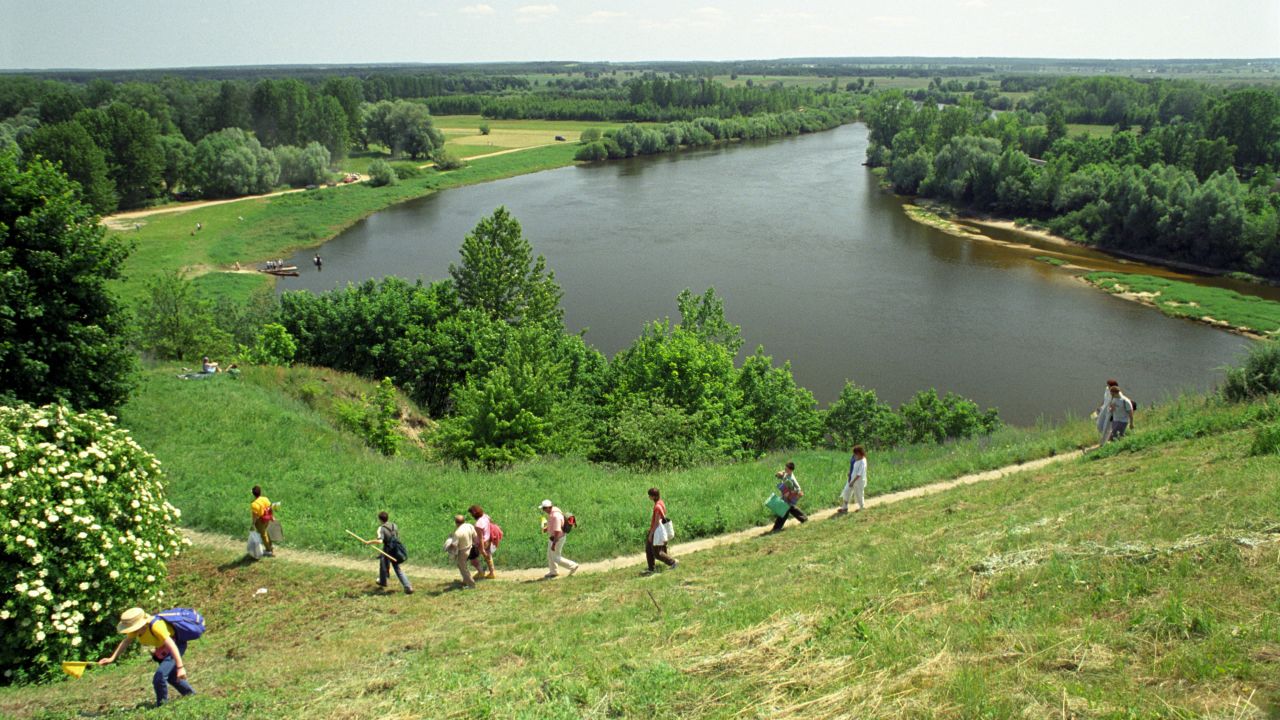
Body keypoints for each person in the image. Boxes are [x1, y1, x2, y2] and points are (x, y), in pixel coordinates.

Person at [97, 608, 195, 707]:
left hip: (176, 646)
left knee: (159, 676)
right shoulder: (136, 630)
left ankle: (162, 706)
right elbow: (126, 641)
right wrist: (112, 658)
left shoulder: (157, 626)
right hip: (163, 649)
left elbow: (172, 645)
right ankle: (190, 695)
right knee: (171, 676)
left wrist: (180, 667)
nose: (131, 632)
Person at [363, 511, 413, 594]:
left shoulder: (381, 528)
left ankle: (383, 581)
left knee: (384, 564)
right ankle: (407, 586)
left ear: (380, 519)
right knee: (392, 565)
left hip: (388, 550)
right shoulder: (394, 526)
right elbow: (397, 537)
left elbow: (380, 541)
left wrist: (369, 542)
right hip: (396, 549)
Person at [540, 499, 578, 579]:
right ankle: (553, 572)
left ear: (548, 508)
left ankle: (573, 566)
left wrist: (554, 544)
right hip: (553, 538)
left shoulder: (556, 516)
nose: (543, 510)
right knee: (550, 555)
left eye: (544, 508)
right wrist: (547, 528)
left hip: (557, 539)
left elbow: (557, 531)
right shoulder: (553, 510)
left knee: (556, 557)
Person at [644, 488, 678, 575]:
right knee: (648, 549)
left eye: (650, 495)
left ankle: (673, 562)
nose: (649, 497)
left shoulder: (657, 507)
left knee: (657, 553)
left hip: (656, 531)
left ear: (654, 496)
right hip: (654, 530)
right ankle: (651, 568)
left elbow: (657, 522)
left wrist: (651, 534)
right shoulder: (660, 502)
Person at [771, 462, 808, 532]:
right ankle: (804, 518)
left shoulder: (792, 478)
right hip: (785, 497)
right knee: (791, 509)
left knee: (784, 511)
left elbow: (798, 489)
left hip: (789, 497)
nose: (785, 469)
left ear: (790, 470)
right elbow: (782, 476)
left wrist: (790, 493)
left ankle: (776, 528)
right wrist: (778, 474)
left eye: (786, 469)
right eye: (785, 468)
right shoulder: (786, 473)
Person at [450, 514, 478, 589]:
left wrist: (450, 542)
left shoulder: (457, 532)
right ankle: (466, 580)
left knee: (463, 568)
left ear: (456, 523)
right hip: (470, 547)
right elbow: (475, 536)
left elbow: (454, 545)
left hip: (463, 551)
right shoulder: (469, 526)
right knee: (460, 565)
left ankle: (471, 584)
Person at [468, 505, 496, 579]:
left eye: (471, 514)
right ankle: (492, 573)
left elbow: (480, 538)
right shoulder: (486, 516)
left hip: (482, 543)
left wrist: (482, 549)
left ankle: (480, 572)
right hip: (488, 539)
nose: (471, 515)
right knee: (488, 556)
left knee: (472, 558)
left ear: (474, 514)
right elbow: (491, 523)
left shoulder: (478, 525)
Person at [838, 446, 868, 513]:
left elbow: (859, 474)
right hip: (851, 479)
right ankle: (844, 507)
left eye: (856, 454)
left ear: (860, 454)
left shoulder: (863, 462)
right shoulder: (856, 458)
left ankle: (862, 507)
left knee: (859, 494)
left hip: (858, 481)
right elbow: (852, 466)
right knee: (846, 491)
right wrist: (850, 473)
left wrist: (853, 482)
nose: (854, 455)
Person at [249, 486, 274, 558]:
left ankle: (268, 551)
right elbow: (270, 508)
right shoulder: (265, 499)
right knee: (266, 532)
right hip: (267, 518)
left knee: (263, 535)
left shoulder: (254, 504)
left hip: (260, 520)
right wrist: (272, 516)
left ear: (253, 494)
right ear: (260, 492)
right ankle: (270, 546)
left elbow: (255, 516)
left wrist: (253, 524)